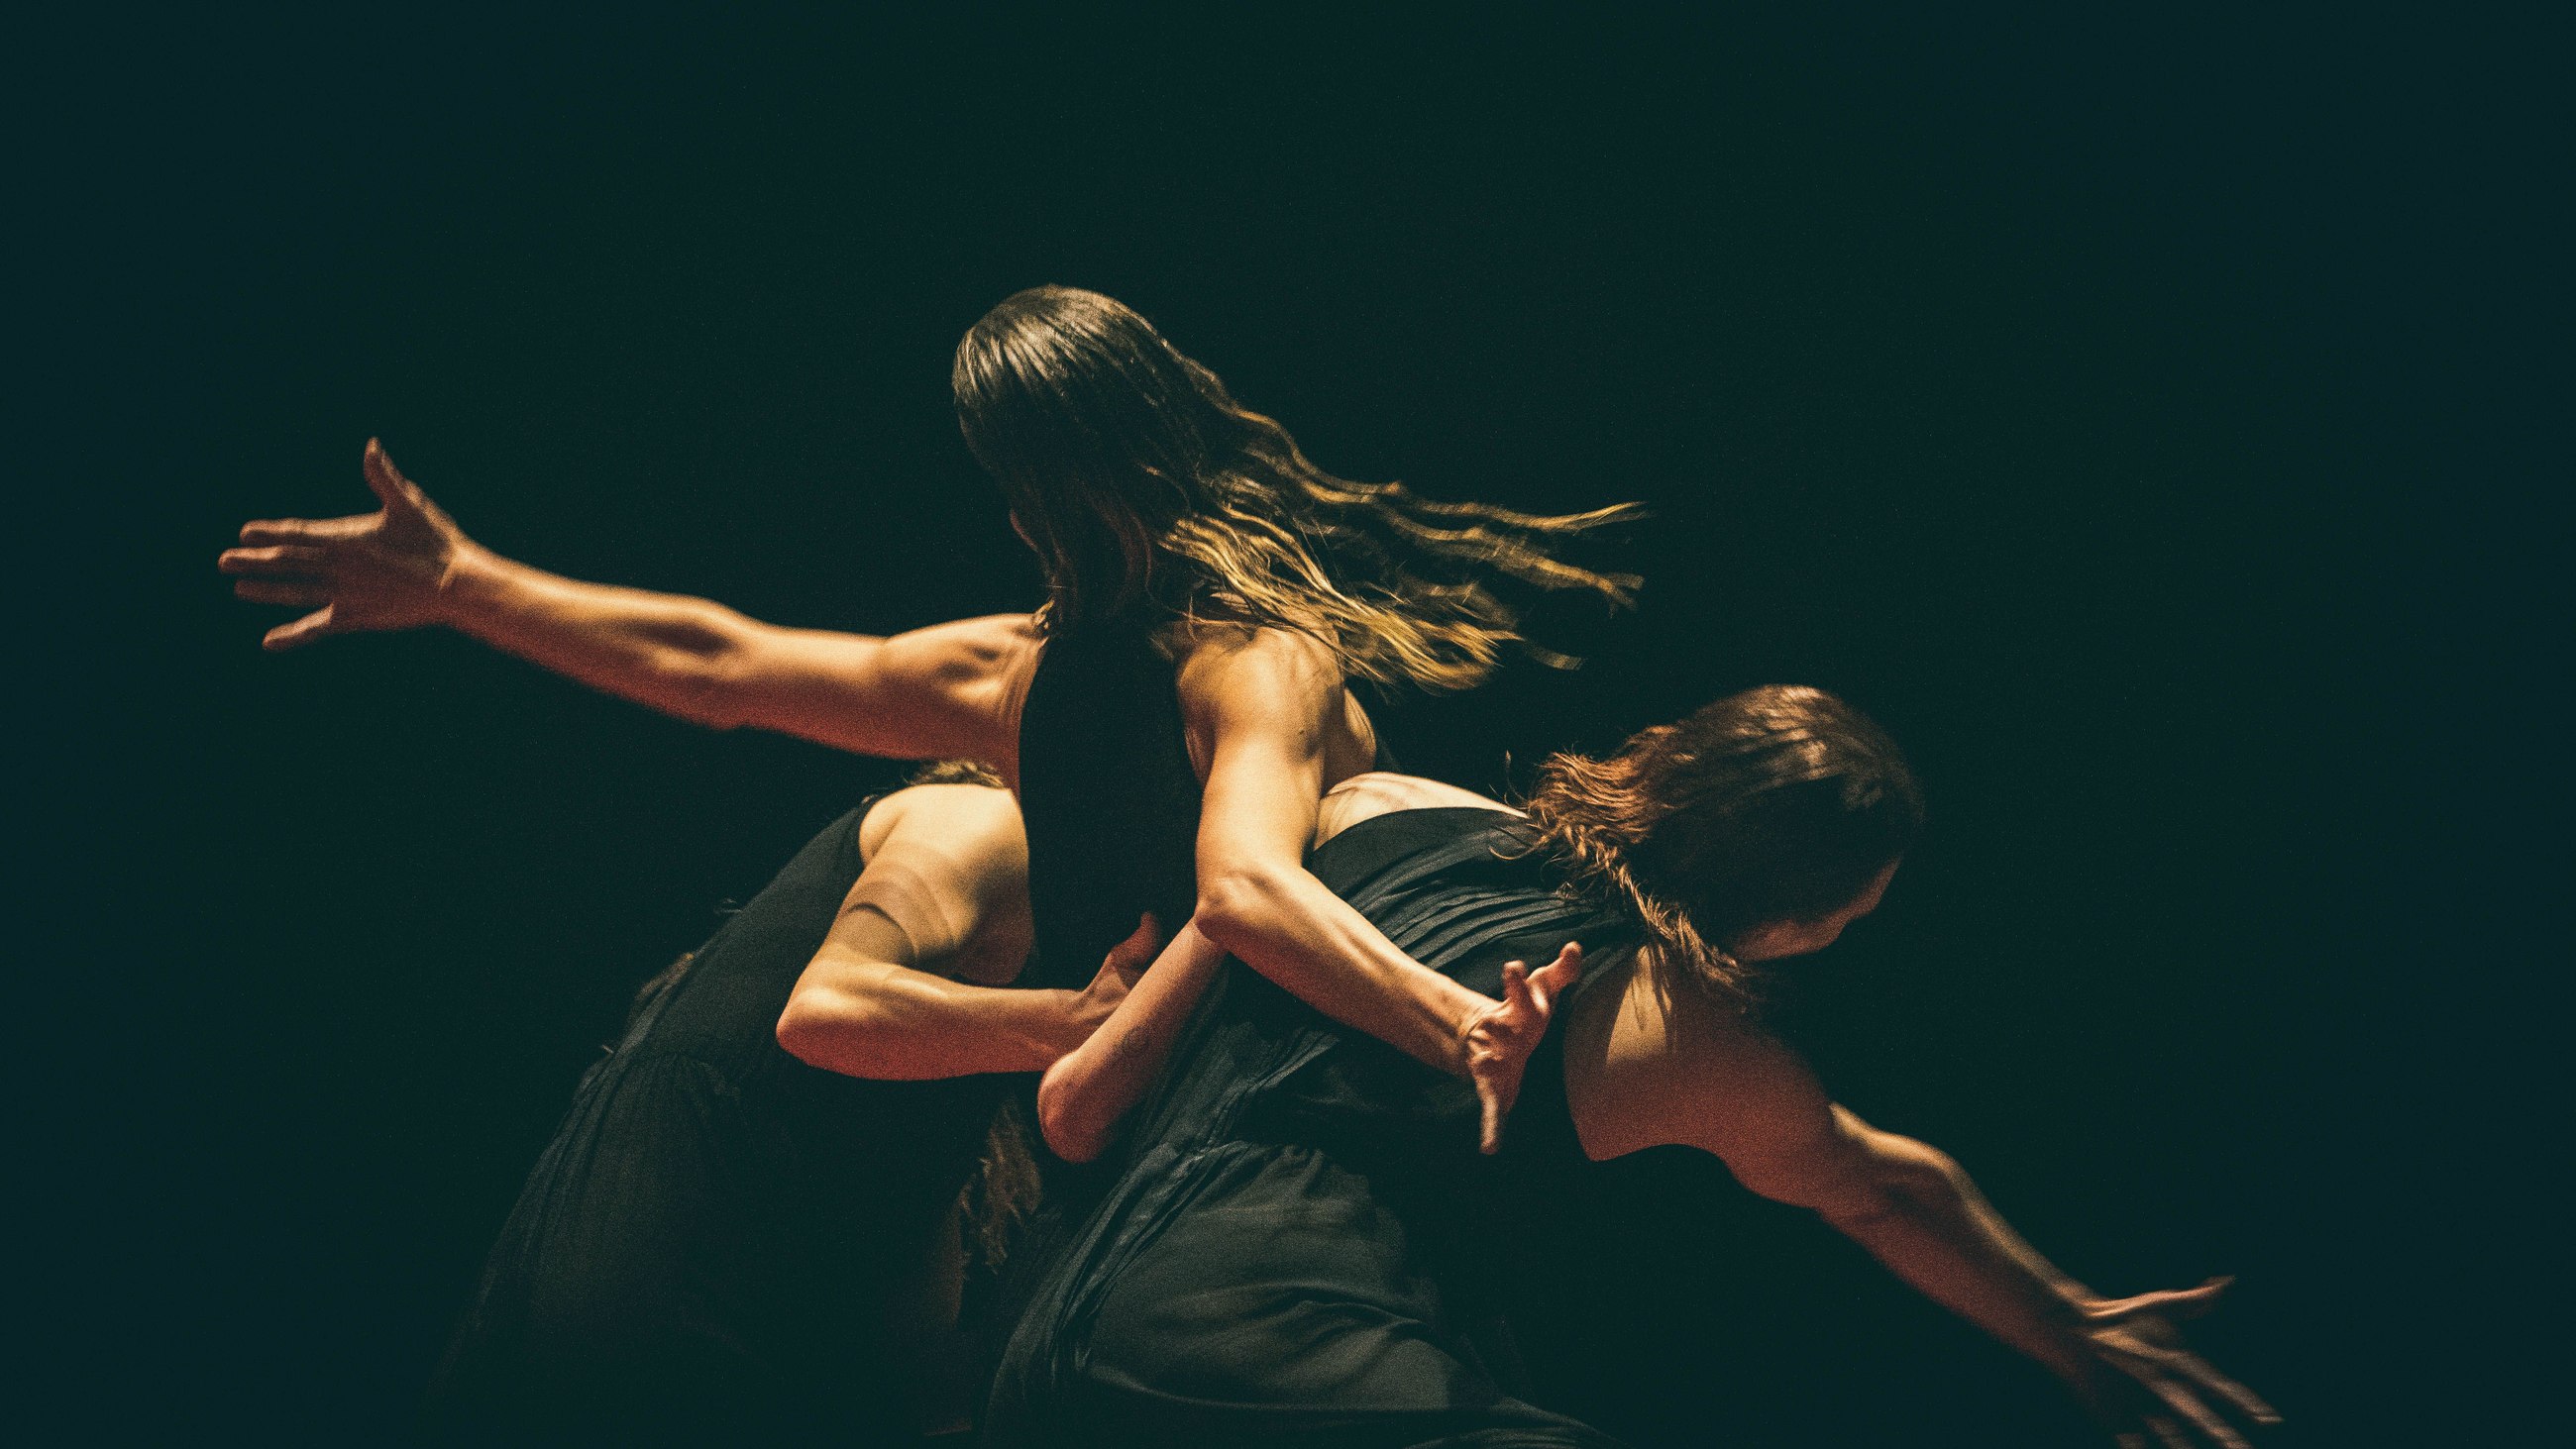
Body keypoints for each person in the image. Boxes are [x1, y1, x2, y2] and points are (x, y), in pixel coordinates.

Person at [220, 285, 1644, 1121]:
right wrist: (1455, 1022)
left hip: (1097, 1164)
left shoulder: (1013, 676)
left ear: (1023, 497)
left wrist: (469, 582)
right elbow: (1249, 889)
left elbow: (720, 668)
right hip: (1260, 1125)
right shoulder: (1251, 662)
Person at [996, 685, 2279, 1449]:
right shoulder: (1695, 1026)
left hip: (1062, 1337)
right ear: (1783, 919)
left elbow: (1157, 1016)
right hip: (1270, 1353)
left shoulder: (1380, 806)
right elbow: (1875, 1184)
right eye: (1846, 920)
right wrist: (2063, 1318)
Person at [423, 763, 1152, 1443]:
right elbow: (827, 1005)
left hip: (618, 1336)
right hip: (658, 1332)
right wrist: (1072, 1022)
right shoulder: (983, 815)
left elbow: (903, 1342)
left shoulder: (931, 1096)